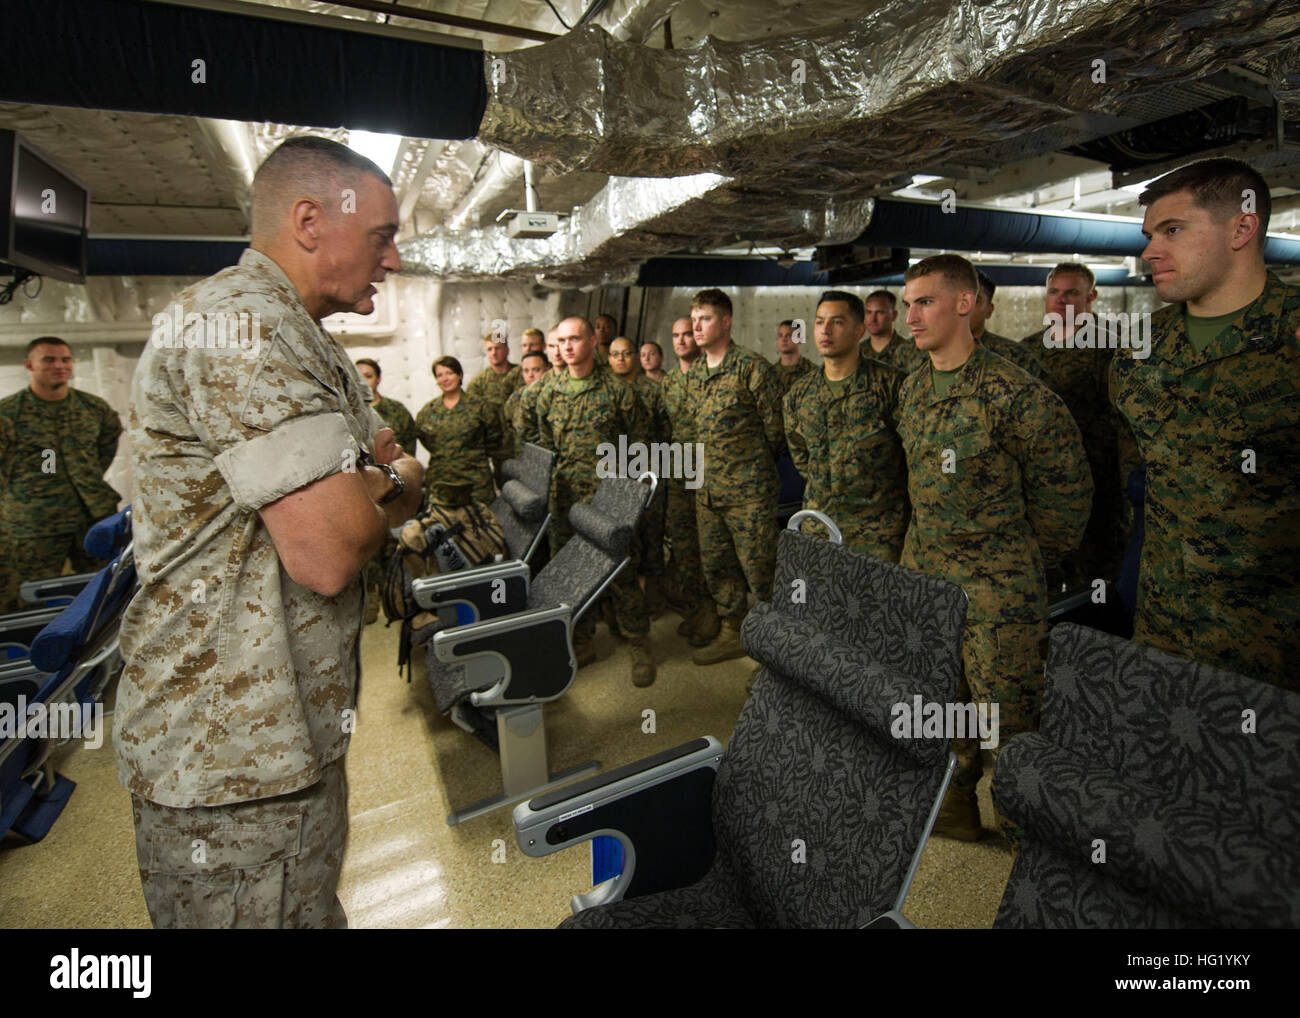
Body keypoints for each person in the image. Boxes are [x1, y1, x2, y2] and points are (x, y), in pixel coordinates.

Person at [116, 135, 423, 928]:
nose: (392, 260)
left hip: (282, 738)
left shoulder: (302, 337)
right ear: (311, 220)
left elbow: (375, 460)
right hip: (233, 760)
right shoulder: (242, 329)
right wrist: (398, 487)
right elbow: (329, 550)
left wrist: (374, 486)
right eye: (382, 236)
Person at [897, 254, 1091, 844]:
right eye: (907, 304)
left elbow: (1067, 495)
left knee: (1008, 719)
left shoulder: (1016, 395)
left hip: (996, 591)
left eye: (925, 301)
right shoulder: (911, 389)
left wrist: (1019, 564)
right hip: (928, 578)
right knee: (943, 707)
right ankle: (956, 805)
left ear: (965, 302)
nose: (912, 316)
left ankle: (1023, 837)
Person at [1111, 157, 1300, 693]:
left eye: (1172, 230)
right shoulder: (1137, 353)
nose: (1149, 251)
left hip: (1274, 657)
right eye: (1150, 235)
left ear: (1242, 226)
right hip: (1161, 637)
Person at [535, 317, 655, 686]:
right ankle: (582, 641)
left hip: (610, 501)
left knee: (621, 572)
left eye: (575, 339)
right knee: (572, 573)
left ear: (591, 342)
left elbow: (640, 447)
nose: (568, 346)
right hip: (566, 499)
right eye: (562, 341)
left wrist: (629, 500)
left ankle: (638, 643)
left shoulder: (618, 391)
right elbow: (546, 444)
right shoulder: (548, 392)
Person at [686, 289, 785, 665]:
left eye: (705, 318)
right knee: (717, 567)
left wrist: (749, 469)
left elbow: (776, 430)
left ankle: (776, 649)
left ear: (726, 322)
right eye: (694, 319)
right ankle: (732, 631)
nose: (697, 326)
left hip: (749, 494)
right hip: (708, 493)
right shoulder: (695, 373)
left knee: (761, 572)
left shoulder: (751, 367)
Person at [1020, 263, 1126, 589]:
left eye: (1071, 293)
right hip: (1042, 485)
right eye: (1054, 292)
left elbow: (1123, 418)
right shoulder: (1029, 349)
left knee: (1096, 578)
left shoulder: (1110, 346)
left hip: (1097, 482)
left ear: (1091, 297)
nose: (1060, 300)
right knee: (1048, 575)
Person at [785, 292, 908, 561]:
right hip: (820, 528)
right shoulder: (799, 395)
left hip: (878, 532)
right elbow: (803, 458)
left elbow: (912, 455)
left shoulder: (891, 386)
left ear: (859, 330)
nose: (825, 330)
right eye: (819, 322)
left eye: (837, 322)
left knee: (874, 603)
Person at [0, 337, 123, 580]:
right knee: (32, 593)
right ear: (29, 365)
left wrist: (85, 475)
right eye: (49, 360)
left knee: (107, 586)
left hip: (92, 515)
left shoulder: (93, 408)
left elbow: (104, 449)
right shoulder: (8, 414)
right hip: (34, 523)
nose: (60, 366)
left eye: (66, 360)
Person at [661, 316, 717, 646]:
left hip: (710, 468)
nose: (682, 340)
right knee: (684, 544)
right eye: (675, 335)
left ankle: (717, 612)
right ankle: (697, 607)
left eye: (687, 334)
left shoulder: (711, 374)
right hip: (680, 469)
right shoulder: (668, 381)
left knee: (711, 545)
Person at [609, 336, 670, 617]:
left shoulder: (652, 389)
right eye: (614, 354)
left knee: (652, 534)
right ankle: (620, 605)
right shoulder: (604, 390)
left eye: (626, 353)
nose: (620, 359)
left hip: (649, 471)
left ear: (635, 356)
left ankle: (655, 596)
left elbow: (665, 430)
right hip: (614, 475)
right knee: (621, 540)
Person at [353, 358, 416, 623]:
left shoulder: (394, 410)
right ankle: (370, 598)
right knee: (366, 547)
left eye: (368, 375)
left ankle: (397, 595)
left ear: (377, 379)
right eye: (359, 376)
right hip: (359, 492)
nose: (364, 381)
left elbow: (406, 450)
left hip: (390, 489)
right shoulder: (351, 414)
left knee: (393, 545)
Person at [416, 355, 501, 506]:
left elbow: (495, 440)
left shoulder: (480, 407)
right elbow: (425, 439)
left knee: (482, 525)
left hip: (475, 482)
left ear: (459, 375)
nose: (445, 379)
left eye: (449, 373)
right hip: (441, 482)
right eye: (440, 375)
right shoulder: (428, 411)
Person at [969, 271, 1052, 385]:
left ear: (989, 310)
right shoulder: (938, 355)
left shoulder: (1016, 357)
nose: (963, 307)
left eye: (975, 301)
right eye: (957, 299)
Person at [466, 333, 523, 488]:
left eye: (497, 348)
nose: (494, 352)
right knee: (506, 489)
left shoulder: (521, 374)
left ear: (507, 349)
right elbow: (472, 417)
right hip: (499, 448)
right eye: (489, 349)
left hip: (524, 444)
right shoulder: (479, 382)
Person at [354, 358, 416, 452]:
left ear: (378, 379)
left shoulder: (397, 410)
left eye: (368, 376)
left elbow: (409, 443)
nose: (362, 382)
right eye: (357, 377)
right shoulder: (349, 413)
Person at [860, 290, 926, 374]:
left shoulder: (908, 352)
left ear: (894, 315)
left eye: (880, 312)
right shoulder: (858, 352)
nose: (873, 319)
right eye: (868, 312)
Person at [773, 319, 816, 397]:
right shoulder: (770, 373)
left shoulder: (813, 372)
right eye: (780, 335)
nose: (784, 339)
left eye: (789, 335)